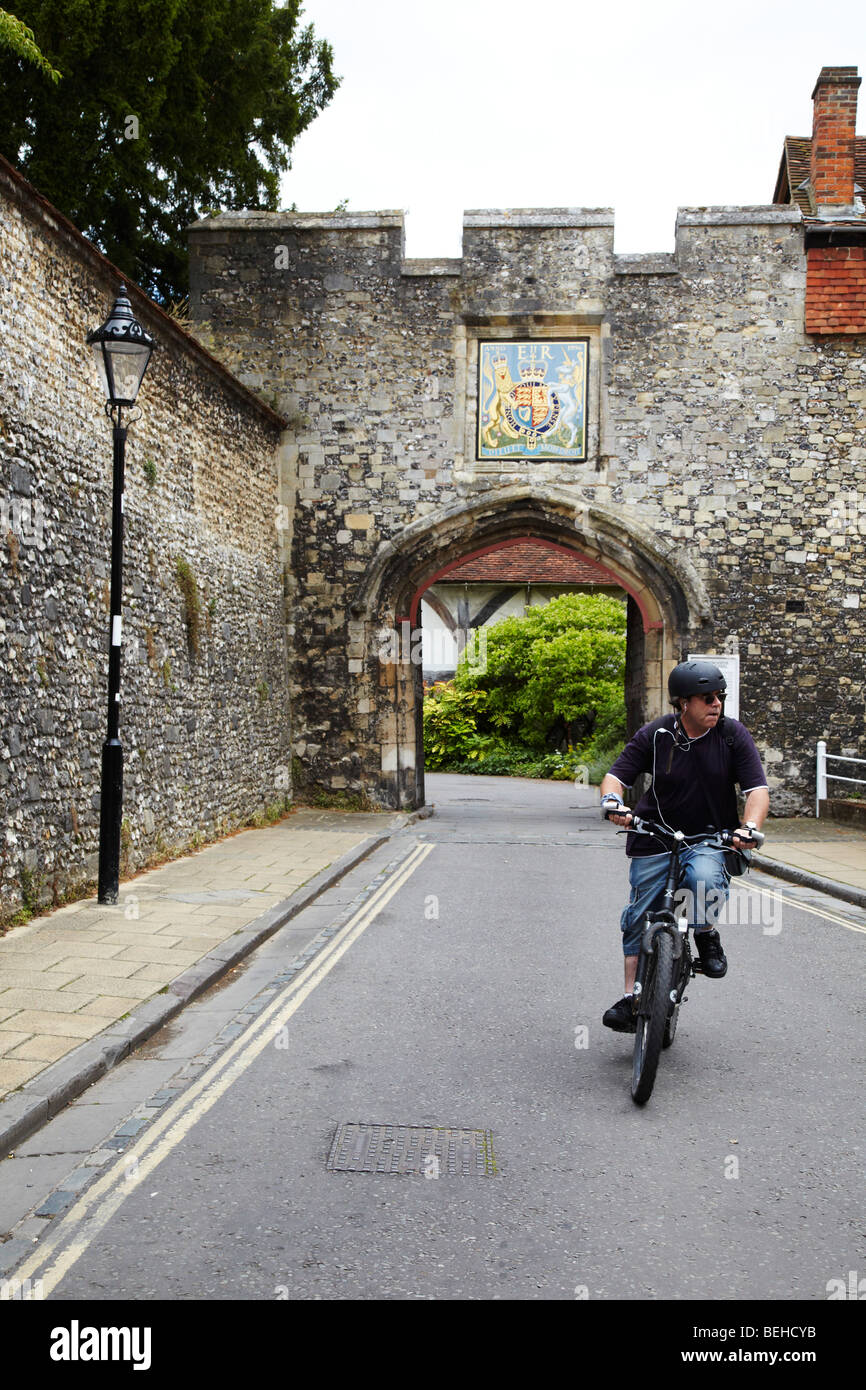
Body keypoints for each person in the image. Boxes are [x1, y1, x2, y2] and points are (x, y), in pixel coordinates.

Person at [599, 660, 769, 1033]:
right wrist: (613, 803)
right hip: (655, 834)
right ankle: (632, 999)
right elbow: (616, 777)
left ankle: (705, 934)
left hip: (709, 836)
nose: (716, 704)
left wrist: (749, 827)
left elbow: (756, 790)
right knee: (638, 917)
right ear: (683, 703)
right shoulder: (657, 735)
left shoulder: (731, 736)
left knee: (705, 879)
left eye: (719, 697)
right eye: (707, 698)